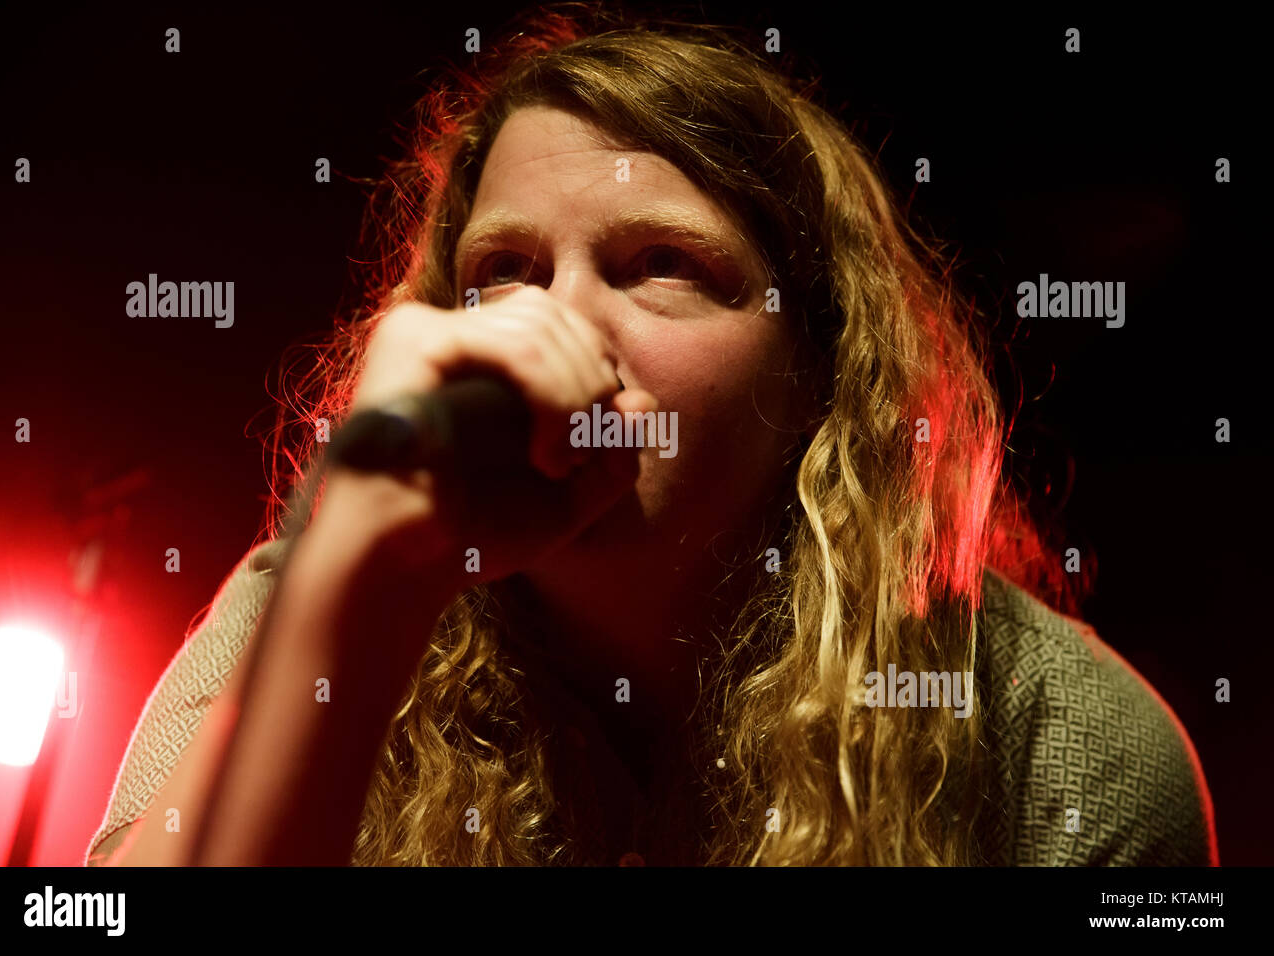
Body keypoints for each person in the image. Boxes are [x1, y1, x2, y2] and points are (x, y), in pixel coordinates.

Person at [85, 11, 1217, 867]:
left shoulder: (1058, 739)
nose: (555, 325)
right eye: (503, 273)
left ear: (820, 362)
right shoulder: (316, 599)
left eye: (662, 266)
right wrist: (358, 606)